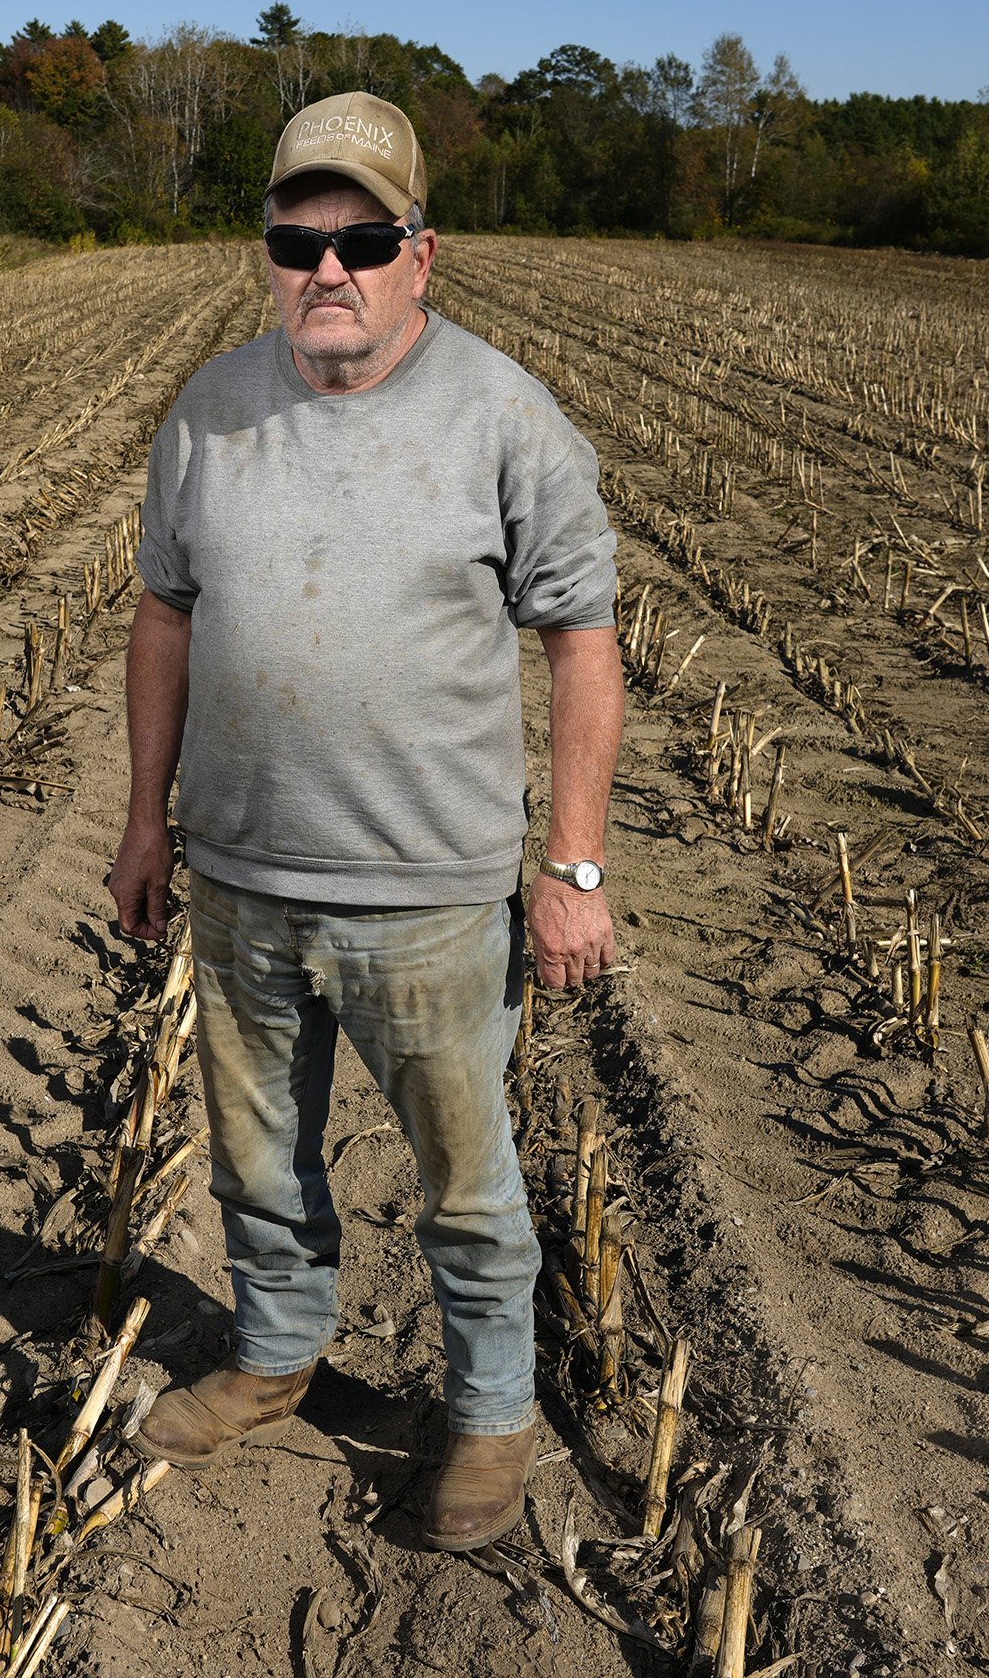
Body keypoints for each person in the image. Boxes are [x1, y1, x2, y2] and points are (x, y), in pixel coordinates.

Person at [107, 90, 622, 1551]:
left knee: (468, 1188)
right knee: (257, 1157)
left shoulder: (506, 417)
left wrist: (572, 864)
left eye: (363, 237)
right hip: (243, 880)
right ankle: (275, 1358)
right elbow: (163, 616)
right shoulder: (209, 412)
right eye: (296, 238)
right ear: (266, 252)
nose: (327, 268)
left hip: (431, 898)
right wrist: (147, 822)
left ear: (421, 250)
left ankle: (491, 1411)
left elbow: (584, 639)